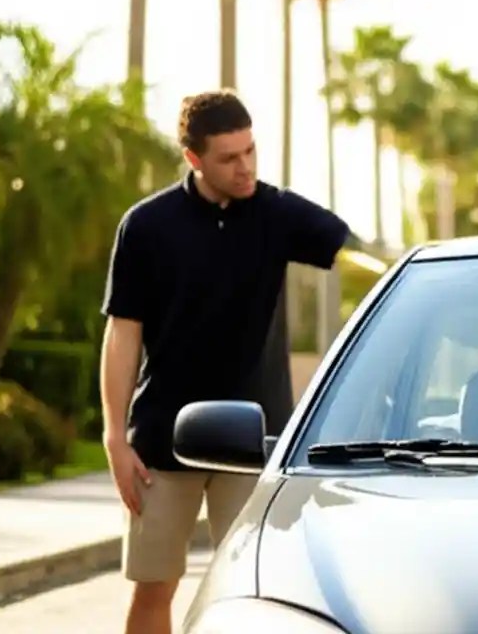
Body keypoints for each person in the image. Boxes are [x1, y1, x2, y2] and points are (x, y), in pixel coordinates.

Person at [99, 90, 353, 634]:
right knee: (153, 590)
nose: (245, 167)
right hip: (161, 446)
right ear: (193, 159)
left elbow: (352, 254)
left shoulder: (276, 213)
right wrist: (114, 438)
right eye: (229, 158)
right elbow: (123, 333)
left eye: (251, 151)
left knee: (258, 593)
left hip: (254, 444)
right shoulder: (145, 226)